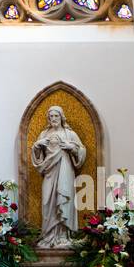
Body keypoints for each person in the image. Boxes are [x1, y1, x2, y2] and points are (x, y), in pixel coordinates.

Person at [30, 104, 86, 248]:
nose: (54, 118)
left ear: (61, 117)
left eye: (56, 116)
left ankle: (63, 237)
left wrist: (72, 148)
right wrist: (37, 146)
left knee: (64, 201)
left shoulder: (70, 134)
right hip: (49, 172)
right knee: (47, 201)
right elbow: (38, 159)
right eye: (51, 116)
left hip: (65, 171)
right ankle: (48, 236)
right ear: (48, 118)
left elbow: (81, 151)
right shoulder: (44, 134)